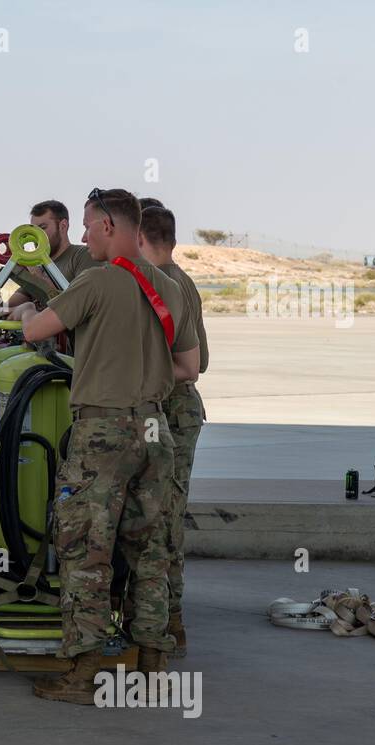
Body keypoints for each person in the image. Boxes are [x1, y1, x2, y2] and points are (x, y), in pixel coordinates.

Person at [11, 188, 200, 704]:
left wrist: (29, 305)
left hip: (103, 433)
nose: (87, 235)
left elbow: (34, 332)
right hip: (156, 432)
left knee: (86, 552)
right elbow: (188, 368)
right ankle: (154, 664)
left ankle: (85, 671)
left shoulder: (95, 281)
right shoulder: (172, 287)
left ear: (112, 228)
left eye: (91, 226)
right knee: (151, 551)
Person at [138, 201, 209, 658]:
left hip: (173, 410)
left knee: (163, 520)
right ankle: (168, 617)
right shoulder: (182, 280)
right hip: (175, 411)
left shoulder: (165, 286)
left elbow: (193, 365)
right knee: (163, 516)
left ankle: (170, 621)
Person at [6, 200, 100, 309]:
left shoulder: (83, 255)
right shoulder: (39, 267)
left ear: (63, 226)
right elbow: (3, 308)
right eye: (34, 230)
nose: (36, 236)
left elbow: (82, 306)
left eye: (42, 228)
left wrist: (39, 278)